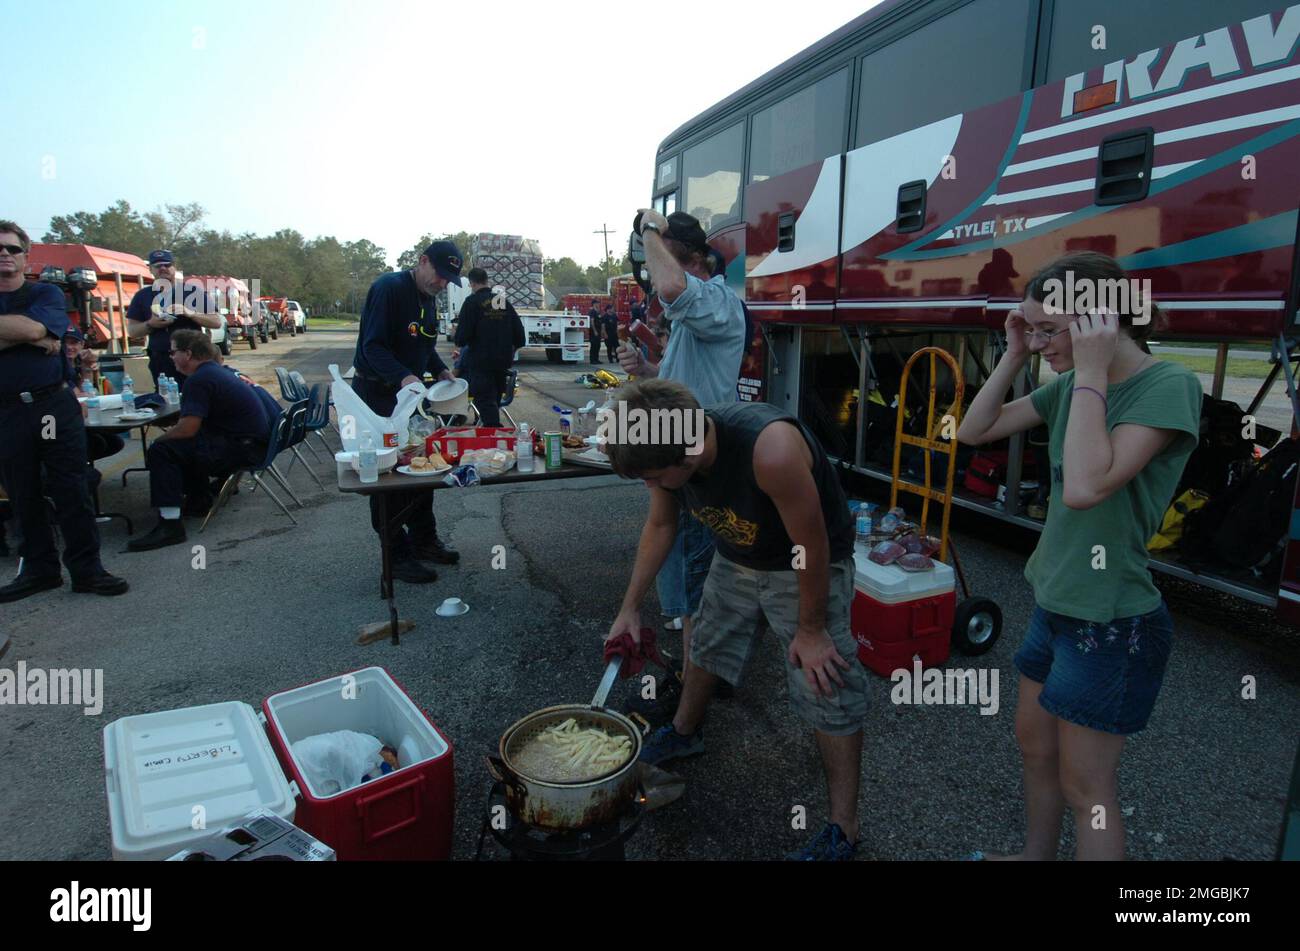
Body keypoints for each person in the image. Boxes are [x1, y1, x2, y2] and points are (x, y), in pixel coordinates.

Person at [956, 252, 1202, 861]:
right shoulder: (1069, 383)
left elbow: (1087, 486)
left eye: (1048, 331)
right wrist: (1013, 353)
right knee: (1036, 754)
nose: (1040, 344)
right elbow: (973, 431)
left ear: (1100, 321)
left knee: (1086, 786)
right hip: (1055, 604)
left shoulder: (1169, 385)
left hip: (1114, 621)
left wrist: (1090, 369)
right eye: (1031, 329)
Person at [605, 379, 867, 861]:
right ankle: (685, 734)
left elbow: (812, 546)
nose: (650, 487)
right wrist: (629, 608)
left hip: (802, 564)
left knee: (825, 683)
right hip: (737, 556)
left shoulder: (770, 451)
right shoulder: (671, 452)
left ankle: (843, 829)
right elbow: (661, 525)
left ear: (688, 453)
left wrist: (811, 631)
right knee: (705, 645)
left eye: (654, 478)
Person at [615, 209, 747, 718]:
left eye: (660, 259)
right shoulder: (698, 315)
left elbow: (669, 285)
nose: (652, 274)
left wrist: (650, 226)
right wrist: (647, 369)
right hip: (678, 452)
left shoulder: (715, 299)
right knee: (690, 578)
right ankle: (703, 675)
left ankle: (693, 696)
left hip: (695, 460)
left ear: (688, 259)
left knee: (693, 588)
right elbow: (687, 377)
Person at [0, 219, 128, 601]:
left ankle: (88, 571)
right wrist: (29, 333)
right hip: (6, 413)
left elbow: (36, 331)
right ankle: (40, 571)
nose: (4, 255)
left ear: (26, 256)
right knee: (22, 495)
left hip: (51, 407)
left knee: (71, 489)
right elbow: (30, 334)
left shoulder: (47, 295)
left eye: (12, 249)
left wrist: (33, 332)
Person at [350, 240, 462, 584]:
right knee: (388, 475)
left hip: (407, 398)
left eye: (447, 280)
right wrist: (403, 376)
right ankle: (396, 555)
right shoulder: (389, 289)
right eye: (439, 275)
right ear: (422, 261)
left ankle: (424, 540)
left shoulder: (428, 298)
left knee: (421, 466)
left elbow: (425, 344)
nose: (441, 283)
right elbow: (373, 346)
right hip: (377, 396)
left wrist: (441, 370)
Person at [126, 330, 273, 551]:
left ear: (188, 353)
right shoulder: (215, 372)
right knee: (185, 446)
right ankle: (198, 499)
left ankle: (170, 524)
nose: (170, 357)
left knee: (162, 450)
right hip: (253, 445)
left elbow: (188, 429)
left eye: (173, 351)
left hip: (242, 449)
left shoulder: (199, 379)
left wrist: (163, 437)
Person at [126, 250, 225, 390]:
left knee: (202, 394)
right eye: (158, 266)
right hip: (161, 359)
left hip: (194, 358)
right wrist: (151, 324)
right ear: (150, 269)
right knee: (168, 402)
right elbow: (132, 331)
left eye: (167, 265)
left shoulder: (192, 292)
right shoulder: (142, 296)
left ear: (175, 267)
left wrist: (190, 313)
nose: (163, 268)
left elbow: (216, 322)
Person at [454, 268, 524, 428]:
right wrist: (509, 351)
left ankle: (495, 440)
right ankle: (494, 440)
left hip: (481, 364)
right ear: (487, 281)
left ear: (471, 283)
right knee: (493, 403)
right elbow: (520, 336)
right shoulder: (502, 301)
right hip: (502, 365)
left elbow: (461, 337)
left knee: (486, 406)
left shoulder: (471, 302)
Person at [588, 300, 602, 364]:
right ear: (594, 304)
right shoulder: (592, 311)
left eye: (598, 303)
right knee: (594, 345)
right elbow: (592, 322)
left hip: (599, 331)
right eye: (597, 303)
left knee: (598, 345)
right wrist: (595, 331)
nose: (598, 305)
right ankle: (592, 360)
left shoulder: (598, 312)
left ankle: (596, 359)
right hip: (594, 331)